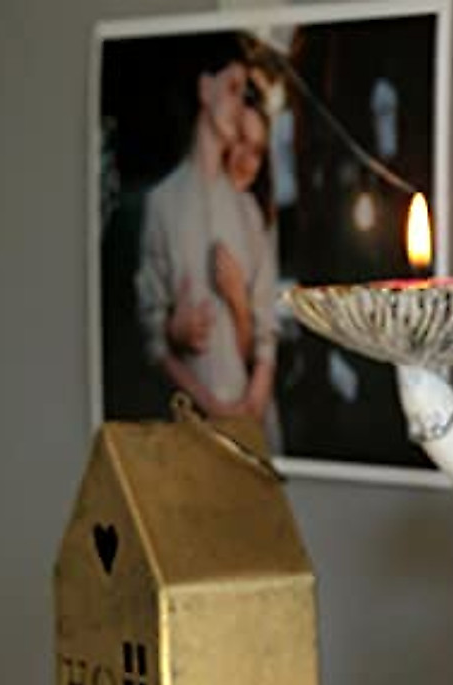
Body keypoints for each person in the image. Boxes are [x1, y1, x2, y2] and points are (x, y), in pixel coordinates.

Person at [136, 35, 277, 427]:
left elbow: (265, 335)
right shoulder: (162, 203)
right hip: (191, 425)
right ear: (204, 89)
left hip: (249, 426)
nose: (238, 105)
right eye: (232, 88)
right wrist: (172, 333)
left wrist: (250, 407)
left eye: (243, 94)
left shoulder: (247, 212)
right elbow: (151, 341)